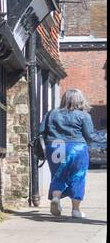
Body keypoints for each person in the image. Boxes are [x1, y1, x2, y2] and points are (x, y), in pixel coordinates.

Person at [41, 88, 98, 219]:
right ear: (80, 100)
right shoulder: (83, 115)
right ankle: (76, 210)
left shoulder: (51, 113)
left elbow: (42, 131)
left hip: (55, 146)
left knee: (57, 175)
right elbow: (90, 136)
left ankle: (56, 197)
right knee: (78, 177)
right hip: (76, 147)